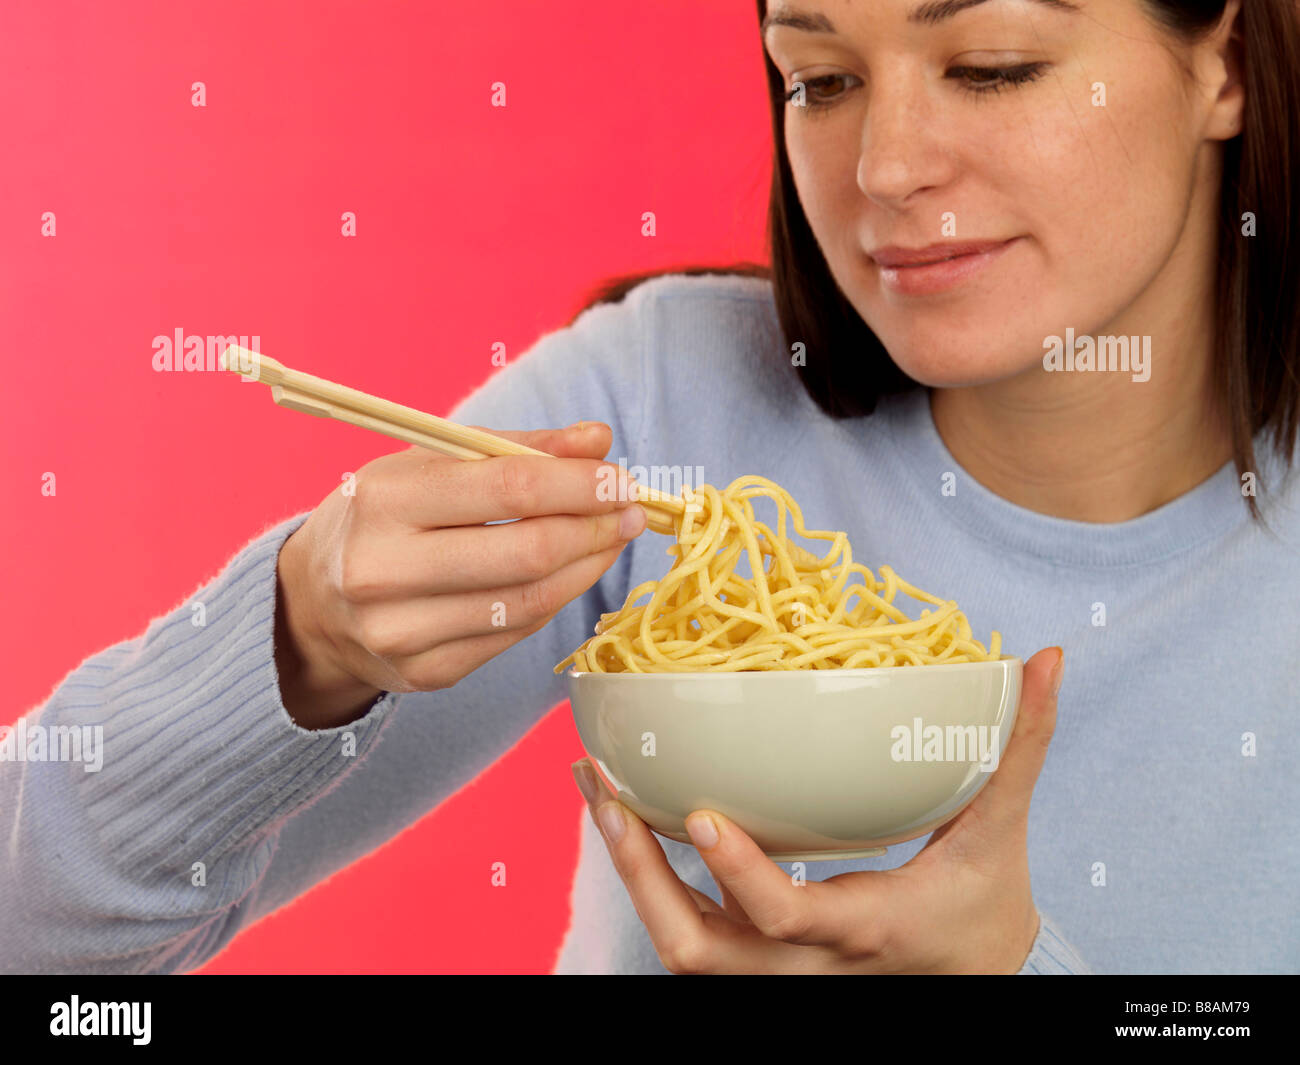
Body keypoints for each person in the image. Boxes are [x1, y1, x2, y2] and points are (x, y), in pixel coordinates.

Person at [3, 0, 1298, 974]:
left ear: (1223, 64)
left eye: (992, 65)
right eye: (820, 78)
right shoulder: (658, 406)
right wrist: (290, 648)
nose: (889, 169)